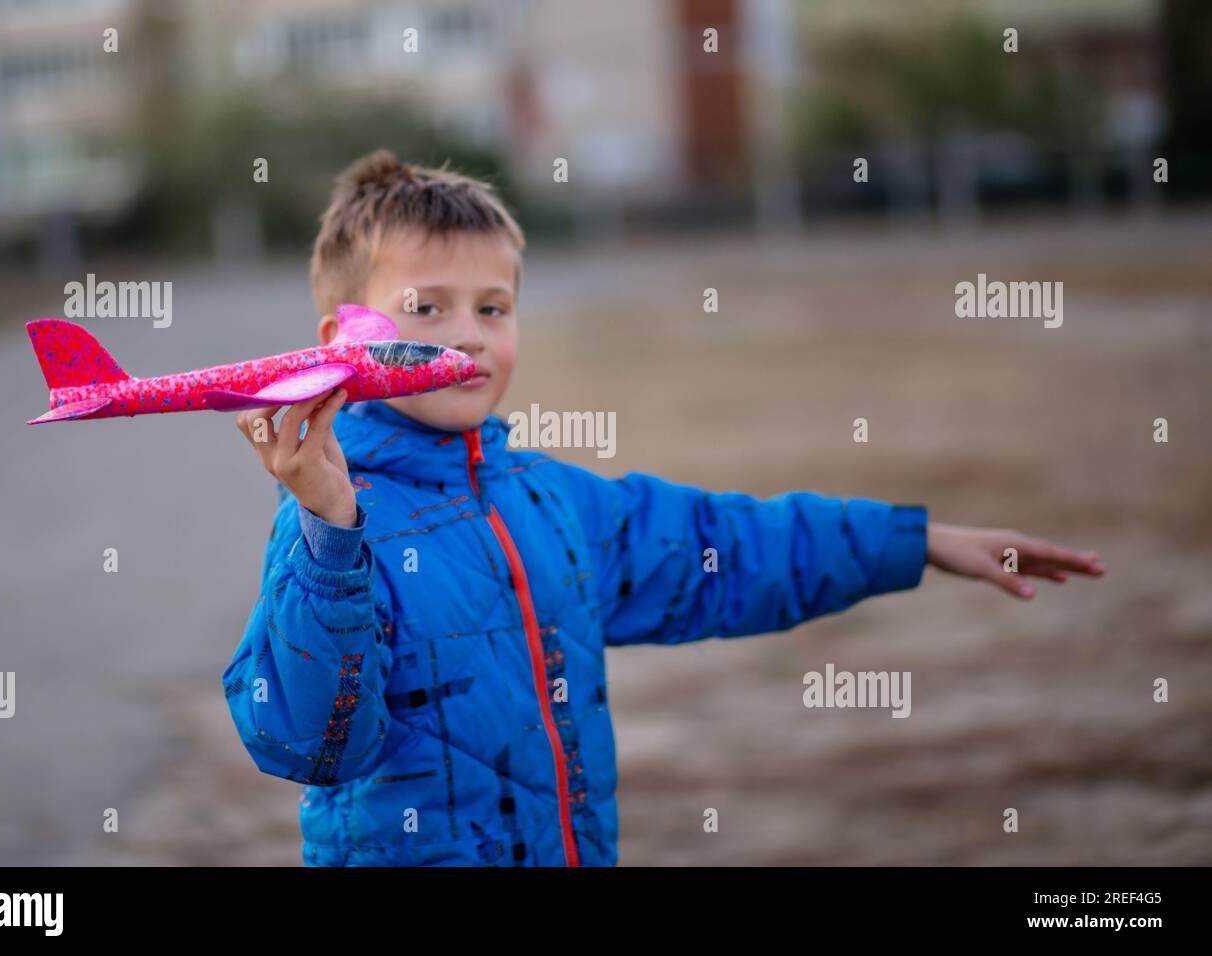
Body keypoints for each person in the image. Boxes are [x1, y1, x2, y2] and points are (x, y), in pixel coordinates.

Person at [221, 150, 1104, 866]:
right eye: (428, 307)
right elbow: (307, 743)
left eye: (494, 307)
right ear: (345, 339)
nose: (467, 336)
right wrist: (331, 530)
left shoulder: (552, 501)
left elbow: (728, 545)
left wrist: (918, 542)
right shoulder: (334, 522)